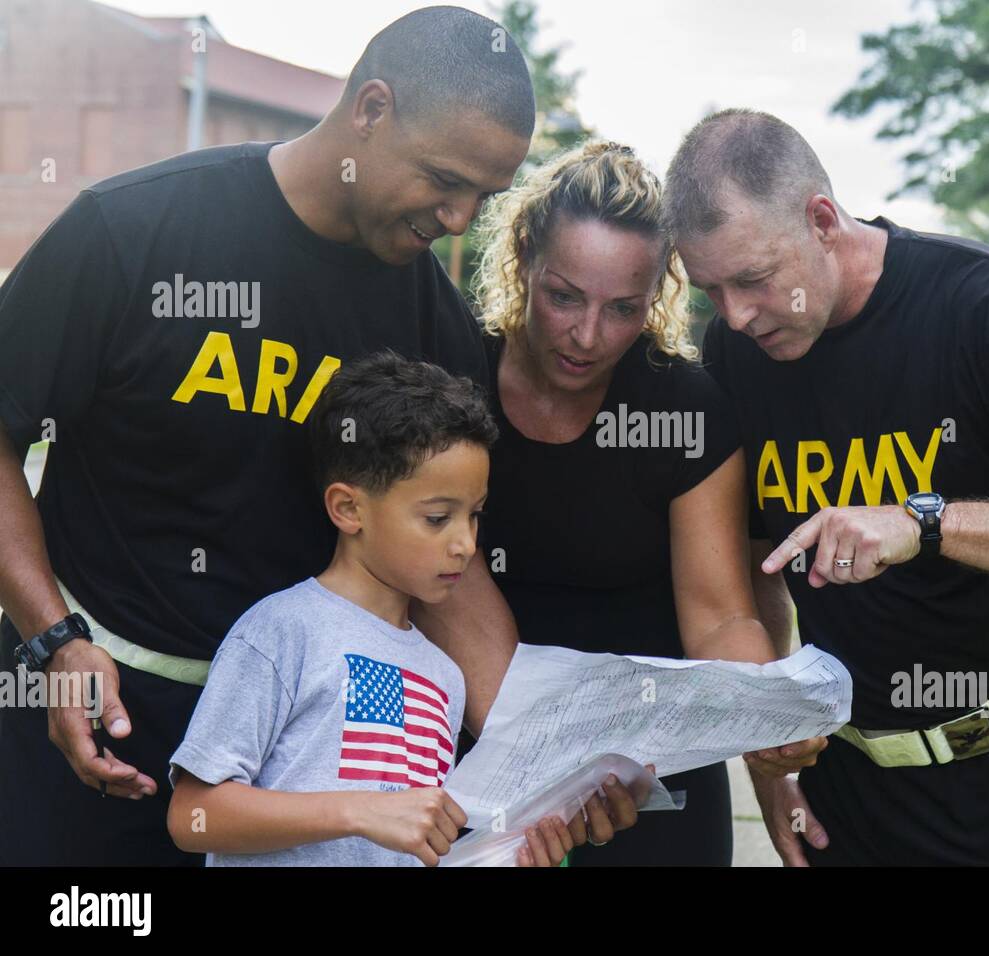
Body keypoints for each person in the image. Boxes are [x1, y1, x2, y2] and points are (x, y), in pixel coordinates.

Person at [0, 6, 634, 865]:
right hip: (96, 717)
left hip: (298, 773)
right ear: (370, 109)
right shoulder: (134, 231)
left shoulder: (433, 326)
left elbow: (449, 560)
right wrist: (51, 640)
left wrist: (559, 762)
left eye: (483, 196)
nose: (458, 219)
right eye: (443, 179)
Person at [665, 109, 989, 866]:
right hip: (854, 798)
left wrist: (923, 523)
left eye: (753, 279)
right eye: (712, 290)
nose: (736, 316)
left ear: (821, 220)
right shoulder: (734, 355)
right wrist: (768, 766)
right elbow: (755, 568)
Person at [469, 140, 826, 865]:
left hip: (654, 783)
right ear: (525, 256)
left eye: (623, 309)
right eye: (563, 295)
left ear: (659, 291)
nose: (587, 335)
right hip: (483, 763)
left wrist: (768, 714)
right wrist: (546, 769)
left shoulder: (682, 407)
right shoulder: (454, 377)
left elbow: (722, 613)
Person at [167, 353, 626, 866]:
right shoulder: (281, 631)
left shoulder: (447, 678)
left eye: (474, 516)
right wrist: (360, 811)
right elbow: (191, 815)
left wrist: (512, 853)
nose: (466, 545)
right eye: (437, 518)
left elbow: (413, 845)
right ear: (347, 508)